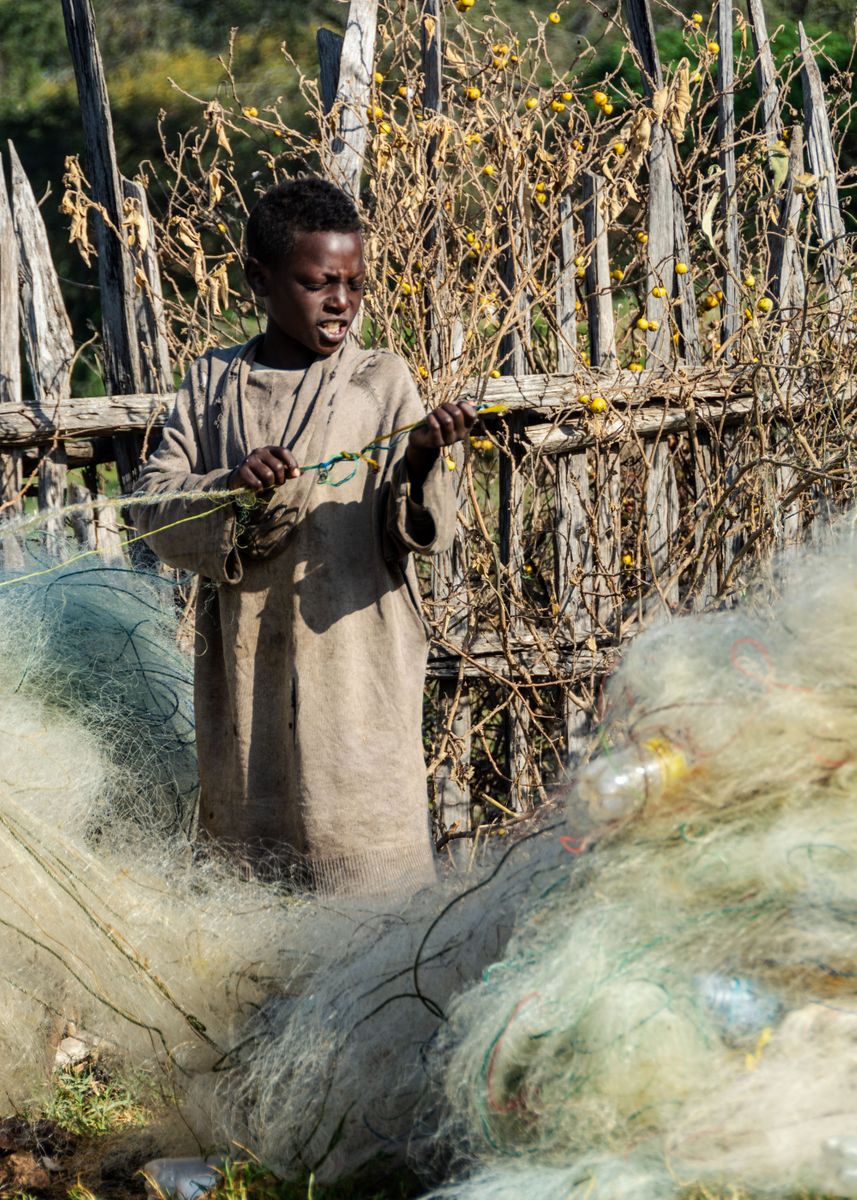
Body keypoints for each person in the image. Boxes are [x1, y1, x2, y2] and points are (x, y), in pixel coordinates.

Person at [133, 176, 476, 895]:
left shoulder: (380, 383)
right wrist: (232, 485)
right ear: (259, 278)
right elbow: (154, 507)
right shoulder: (212, 384)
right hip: (246, 679)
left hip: (358, 670)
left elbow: (414, 529)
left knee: (370, 885)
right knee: (256, 889)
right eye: (319, 283)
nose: (341, 303)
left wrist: (418, 459)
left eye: (354, 284)